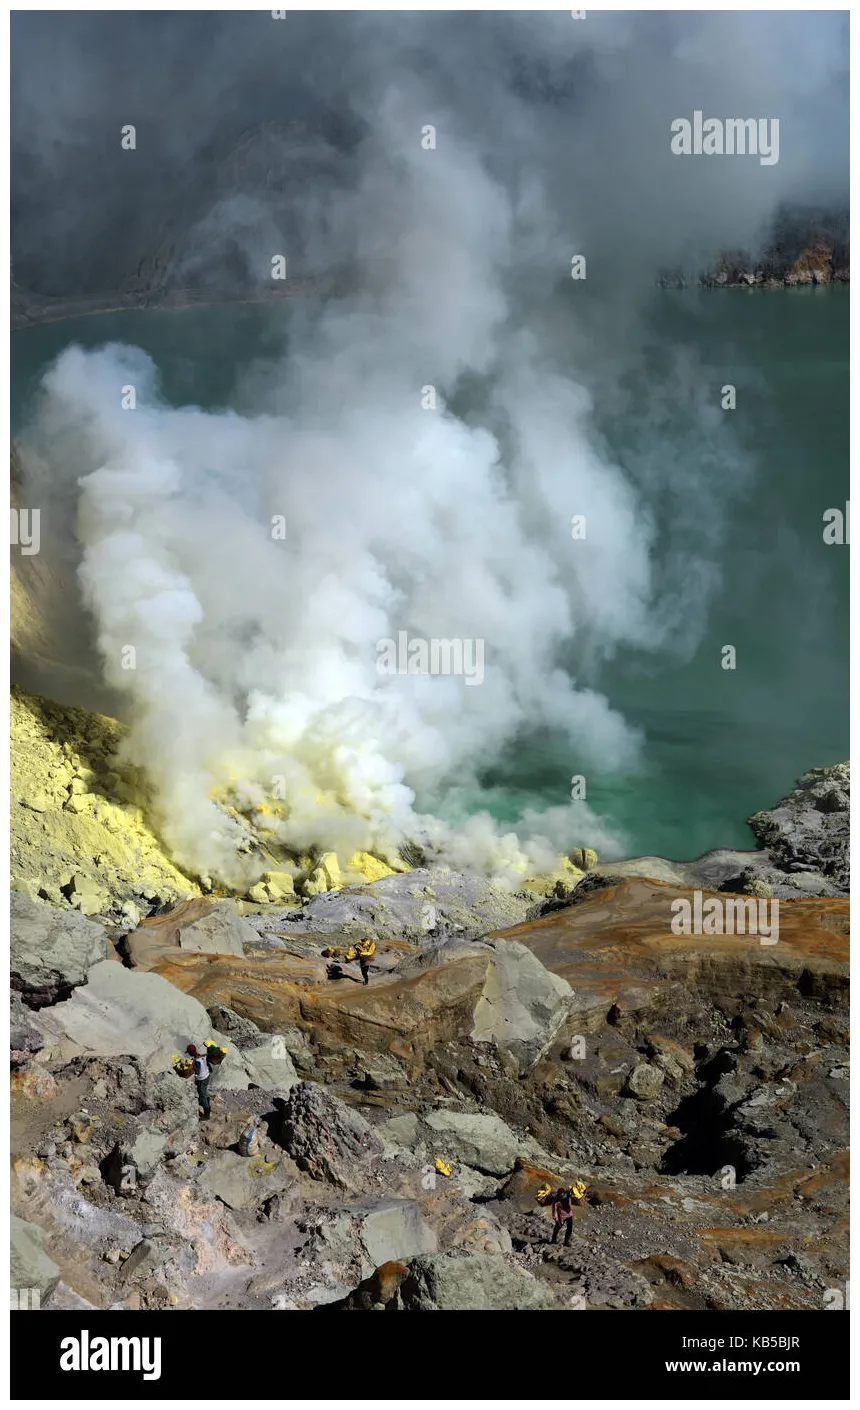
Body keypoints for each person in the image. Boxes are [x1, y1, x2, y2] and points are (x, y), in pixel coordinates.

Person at [187, 1043, 211, 1119]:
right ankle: (207, 1102)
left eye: (189, 1053)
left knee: (202, 1094)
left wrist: (193, 1066)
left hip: (202, 1078)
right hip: (207, 1075)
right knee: (203, 1091)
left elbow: (197, 1071)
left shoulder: (196, 1061)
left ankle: (207, 1115)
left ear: (190, 1052)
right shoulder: (201, 1056)